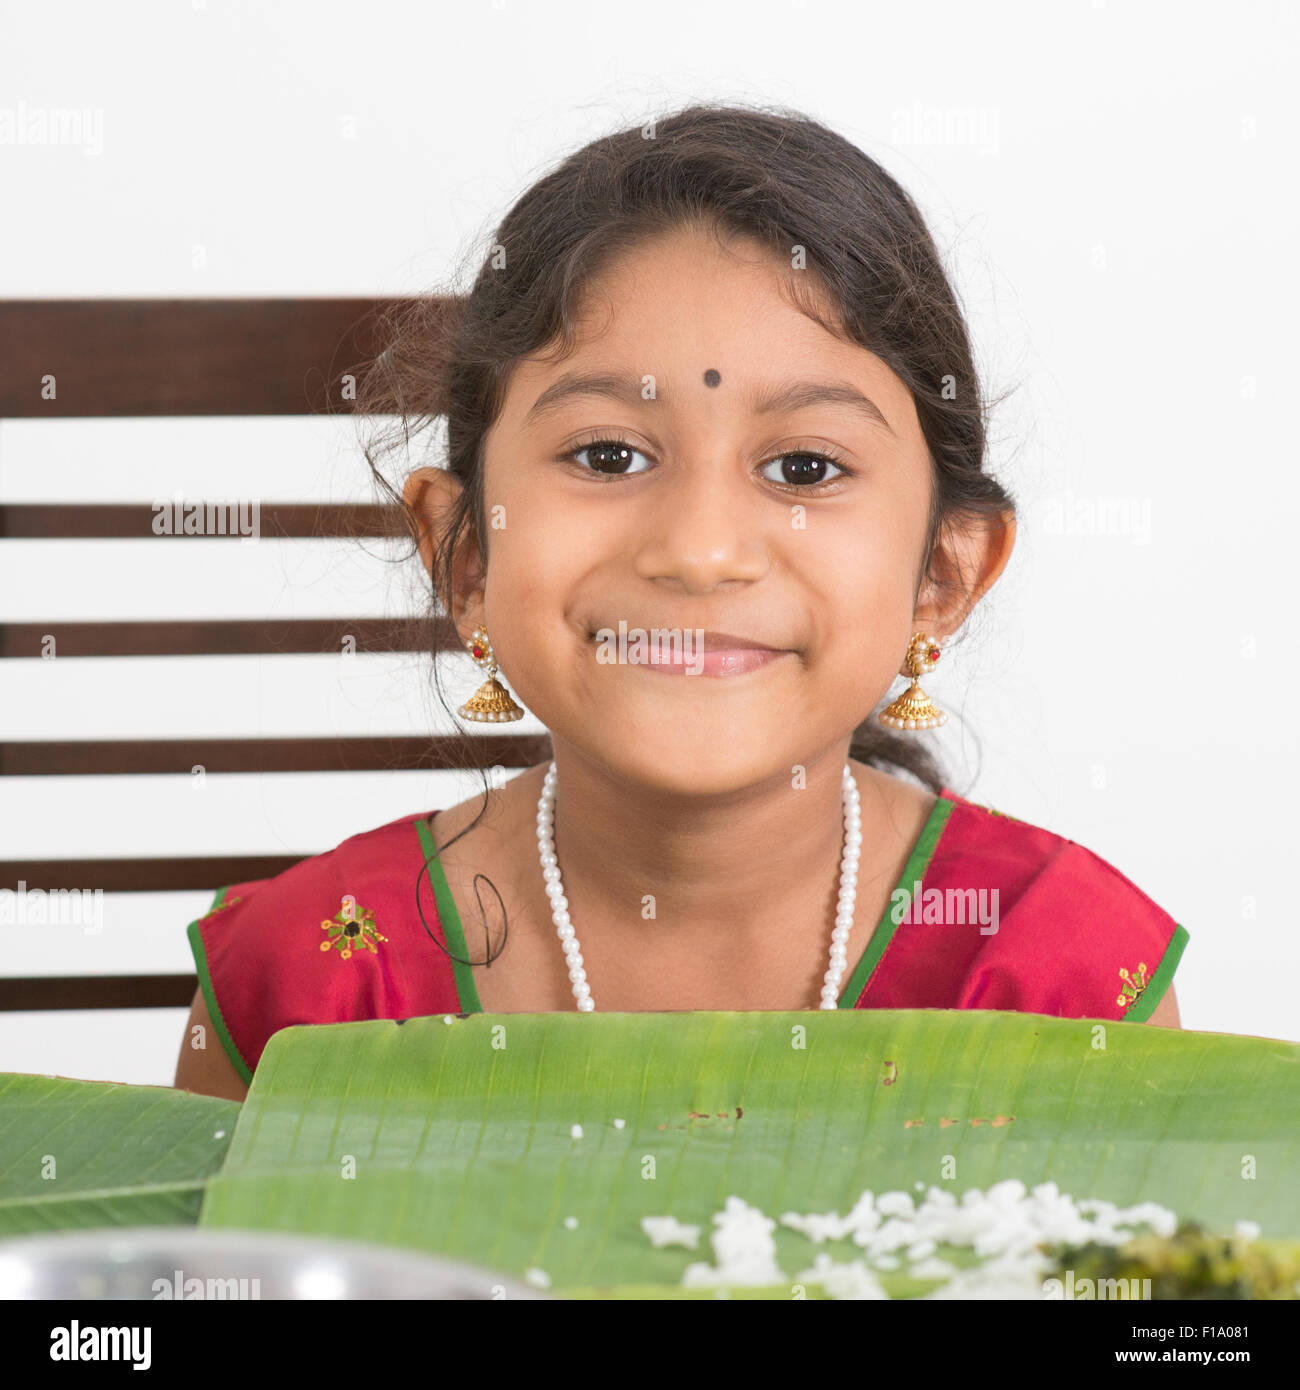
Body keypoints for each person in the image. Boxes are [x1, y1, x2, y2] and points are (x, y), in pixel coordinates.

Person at [174, 103, 1185, 1104]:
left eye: (803, 465)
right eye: (607, 455)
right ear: (464, 552)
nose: (700, 552)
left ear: (942, 578)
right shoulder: (310, 984)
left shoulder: (1064, 977)